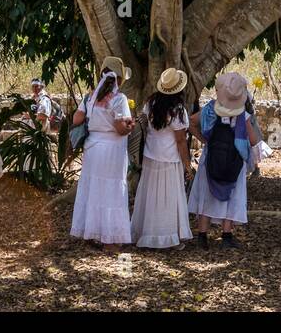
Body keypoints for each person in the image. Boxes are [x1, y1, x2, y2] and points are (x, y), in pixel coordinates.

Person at [70, 56, 135, 251]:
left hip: (93, 148)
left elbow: (76, 119)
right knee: (111, 192)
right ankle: (109, 239)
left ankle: (90, 232)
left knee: (93, 189)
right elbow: (120, 128)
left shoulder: (90, 97)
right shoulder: (119, 99)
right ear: (120, 79)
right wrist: (131, 126)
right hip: (112, 150)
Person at [188, 71, 260, 249]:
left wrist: (204, 140)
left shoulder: (210, 109)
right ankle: (226, 235)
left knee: (206, 194)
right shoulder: (244, 115)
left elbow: (190, 122)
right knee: (233, 195)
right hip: (235, 159)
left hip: (211, 156)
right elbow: (252, 141)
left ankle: (202, 236)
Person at [131, 68, 193, 249]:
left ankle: (147, 234)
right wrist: (187, 165)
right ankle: (167, 236)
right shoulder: (178, 109)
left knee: (150, 196)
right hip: (170, 158)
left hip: (151, 155)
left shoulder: (151, 103)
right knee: (168, 198)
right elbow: (181, 141)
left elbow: (144, 123)